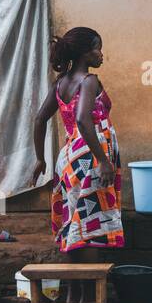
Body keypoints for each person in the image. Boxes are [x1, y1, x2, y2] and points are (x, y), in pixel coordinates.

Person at [31, 27, 125, 261]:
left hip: (70, 159)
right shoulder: (89, 81)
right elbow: (83, 120)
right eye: (97, 48)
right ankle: (90, 293)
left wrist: (40, 158)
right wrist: (103, 161)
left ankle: (76, 290)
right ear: (85, 53)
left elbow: (40, 118)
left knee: (75, 221)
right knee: (91, 228)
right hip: (90, 158)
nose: (101, 54)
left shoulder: (61, 83)